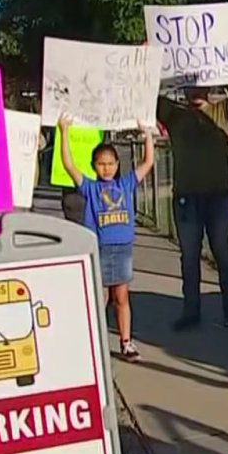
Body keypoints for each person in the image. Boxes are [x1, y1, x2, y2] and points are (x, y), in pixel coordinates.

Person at [58, 115, 154, 362]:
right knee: (98, 299)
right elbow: (68, 165)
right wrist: (64, 130)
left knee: (121, 298)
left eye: (110, 163)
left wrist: (147, 134)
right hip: (99, 249)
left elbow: (148, 161)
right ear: (93, 165)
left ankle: (126, 341)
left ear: (117, 164)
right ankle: (94, 341)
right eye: (101, 164)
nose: (107, 168)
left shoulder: (125, 184)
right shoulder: (89, 188)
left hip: (122, 249)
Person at [158, 90, 228, 330]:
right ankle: (191, 311)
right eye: (189, 85)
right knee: (190, 256)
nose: (194, 91)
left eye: (199, 85)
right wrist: (146, 55)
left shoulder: (223, 110)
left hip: (218, 196)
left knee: (222, 251)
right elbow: (147, 91)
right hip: (186, 197)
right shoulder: (173, 113)